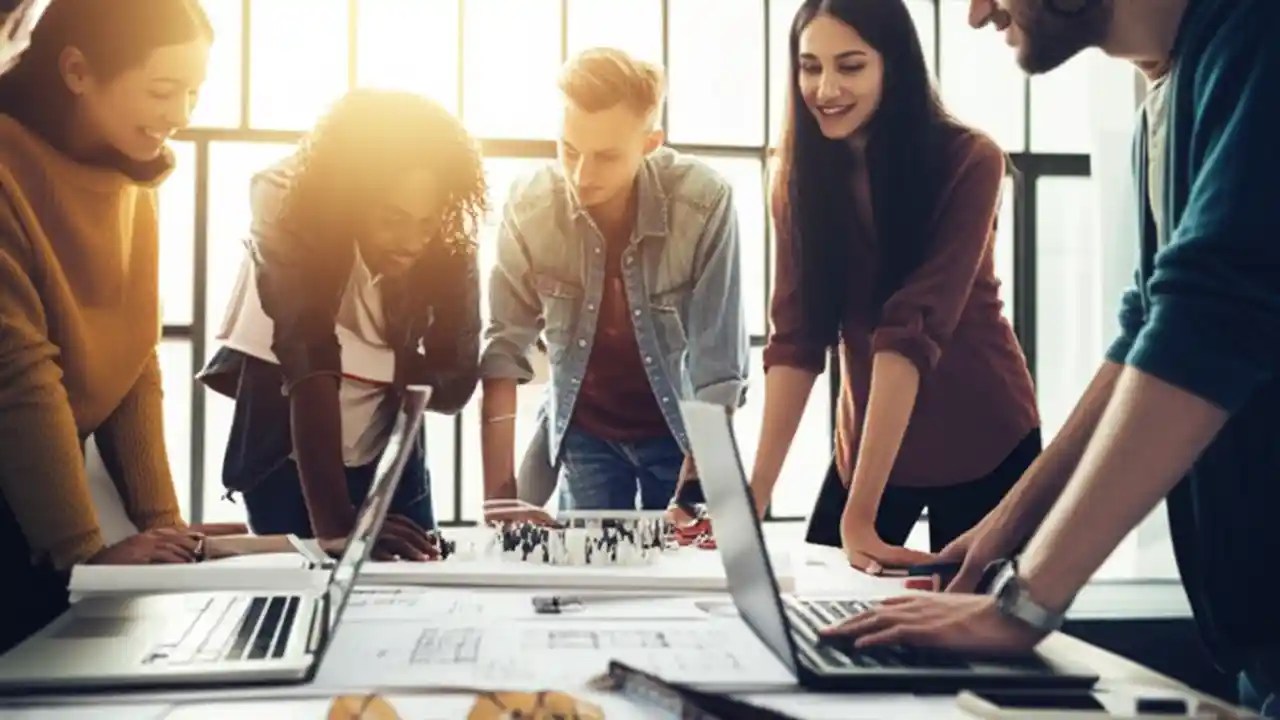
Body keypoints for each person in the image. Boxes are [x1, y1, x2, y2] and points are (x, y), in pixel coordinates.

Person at [820, 0, 1279, 715]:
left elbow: (1208, 325)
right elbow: (1147, 333)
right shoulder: (1171, 91)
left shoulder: (1260, 37)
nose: (977, 13)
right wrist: (999, 537)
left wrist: (1025, 604)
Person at [752, 0, 1039, 571]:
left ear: (894, 65)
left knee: (970, 614)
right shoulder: (796, 176)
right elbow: (796, 339)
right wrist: (750, 502)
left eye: (851, 66)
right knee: (828, 607)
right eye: (810, 66)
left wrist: (860, 514)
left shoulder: (970, 159)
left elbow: (909, 331)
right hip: (866, 443)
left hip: (983, 438)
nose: (826, 88)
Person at [0, 0, 217, 652]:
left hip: (42, 492)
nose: (182, 114)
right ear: (76, 71)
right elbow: (18, 369)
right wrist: (82, 553)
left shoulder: (132, 175)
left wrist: (167, 527)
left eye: (193, 92)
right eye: (162, 90)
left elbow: (133, 357)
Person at [199, 89, 486, 561]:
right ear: (351, 199)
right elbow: (307, 351)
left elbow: (455, 383)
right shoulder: (290, 211)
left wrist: (372, 362)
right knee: (292, 596)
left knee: (414, 583)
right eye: (393, 218)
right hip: (285, 455)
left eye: (425, 221)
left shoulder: (450, 239)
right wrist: (334, 526)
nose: (411, 240)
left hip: (389, 453)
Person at [480, 47, 748, 516]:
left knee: (681, 561)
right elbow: (504, 350)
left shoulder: (703, 202)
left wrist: (696, 488)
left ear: (650, 143)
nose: (581, 175)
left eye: (606, 156)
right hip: (586, 436)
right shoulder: (529, 206)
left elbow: (718, 366)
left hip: (679, 435)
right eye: (569, 150)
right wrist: (500, 501)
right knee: (584, 564)